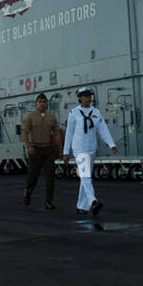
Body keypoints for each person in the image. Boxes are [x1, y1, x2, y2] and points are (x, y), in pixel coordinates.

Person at [61, 88, 116, 216]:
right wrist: (65, 151)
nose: (88, 98)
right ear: (79, 98)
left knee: (86, 177)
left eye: (89, 96)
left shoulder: (96, 112)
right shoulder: (74, 113)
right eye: (85, 96)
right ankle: (93, 201)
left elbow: (103, 129)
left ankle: (82, 206)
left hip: (91, 148)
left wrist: (111, 143)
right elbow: (69, 133)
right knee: (85, 176)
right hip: (79, 148)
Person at [23, 93, 60, 210]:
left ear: (47, 103)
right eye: (40, 102)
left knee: (50, 177)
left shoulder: (52, 117)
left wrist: (60, 148)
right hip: (35, 149)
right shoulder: (30, 116)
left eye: (44, 102)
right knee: (33, 176)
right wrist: (29, 146)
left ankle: (48, 201)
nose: (42, 104)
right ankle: (28, 192)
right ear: (36, 103)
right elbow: (24, 133)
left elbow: (57, 133)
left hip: (48, 149)